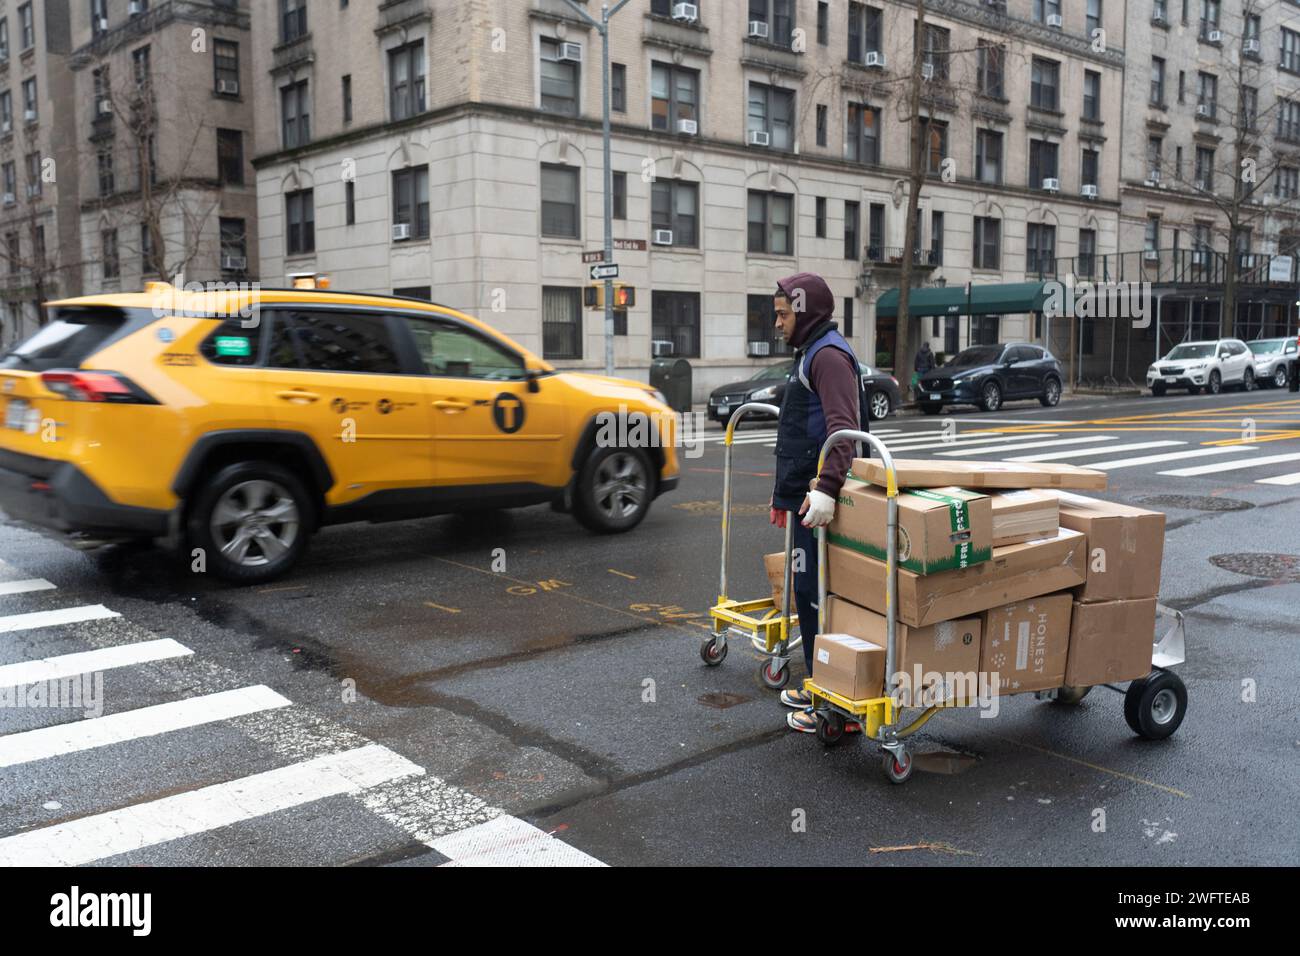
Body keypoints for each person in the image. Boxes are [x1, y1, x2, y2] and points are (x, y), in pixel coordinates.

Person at [768, 273, 868, 733]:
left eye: (784, 314)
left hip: (822, 500)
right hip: (805, 498)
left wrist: (826, 489)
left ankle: (838, 704)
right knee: (808, 593)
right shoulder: (811, 352)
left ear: (805, 313)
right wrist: (783, 498)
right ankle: (819, 684)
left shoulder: (827, 356)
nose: (778, 323)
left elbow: (842, 431)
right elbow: (798, 431)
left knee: (821, 596)